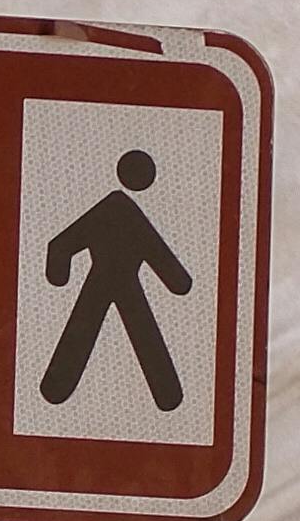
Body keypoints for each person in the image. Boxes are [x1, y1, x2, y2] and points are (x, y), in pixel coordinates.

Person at [37, 144, 193, 413]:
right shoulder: (120, 211)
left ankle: (56, 389)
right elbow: (61, 245)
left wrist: (59, 275)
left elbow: (61, 245)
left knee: (98, 331)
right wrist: (178, 282)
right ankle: (168, 397)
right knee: (139, 333)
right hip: (116, 283)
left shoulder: (114, 210)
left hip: (104, 283)